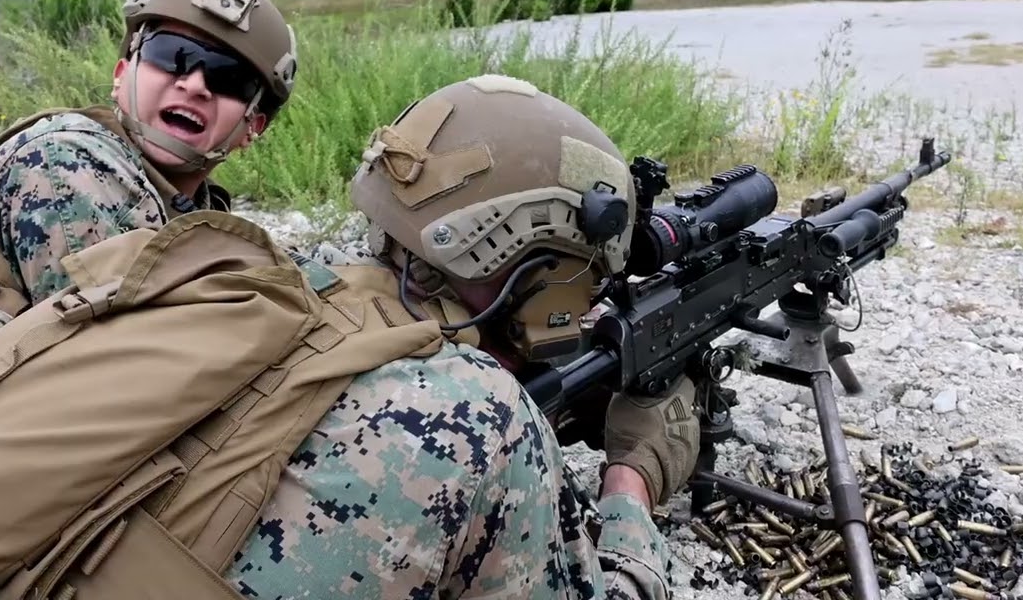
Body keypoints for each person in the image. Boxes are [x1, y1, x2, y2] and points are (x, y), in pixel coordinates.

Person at [222, 73, 701, 598]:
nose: (590, 296)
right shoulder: (483, 417)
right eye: (589, 275)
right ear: (536, 265)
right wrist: (635, 478)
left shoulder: (275, 283)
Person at [0, 0, 297, 409]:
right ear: (122, 75)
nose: (195, 84)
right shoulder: (68, 160)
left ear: (252, 126)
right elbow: (123, 384)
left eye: (227, 77)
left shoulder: (189, 209)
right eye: (171, 55)